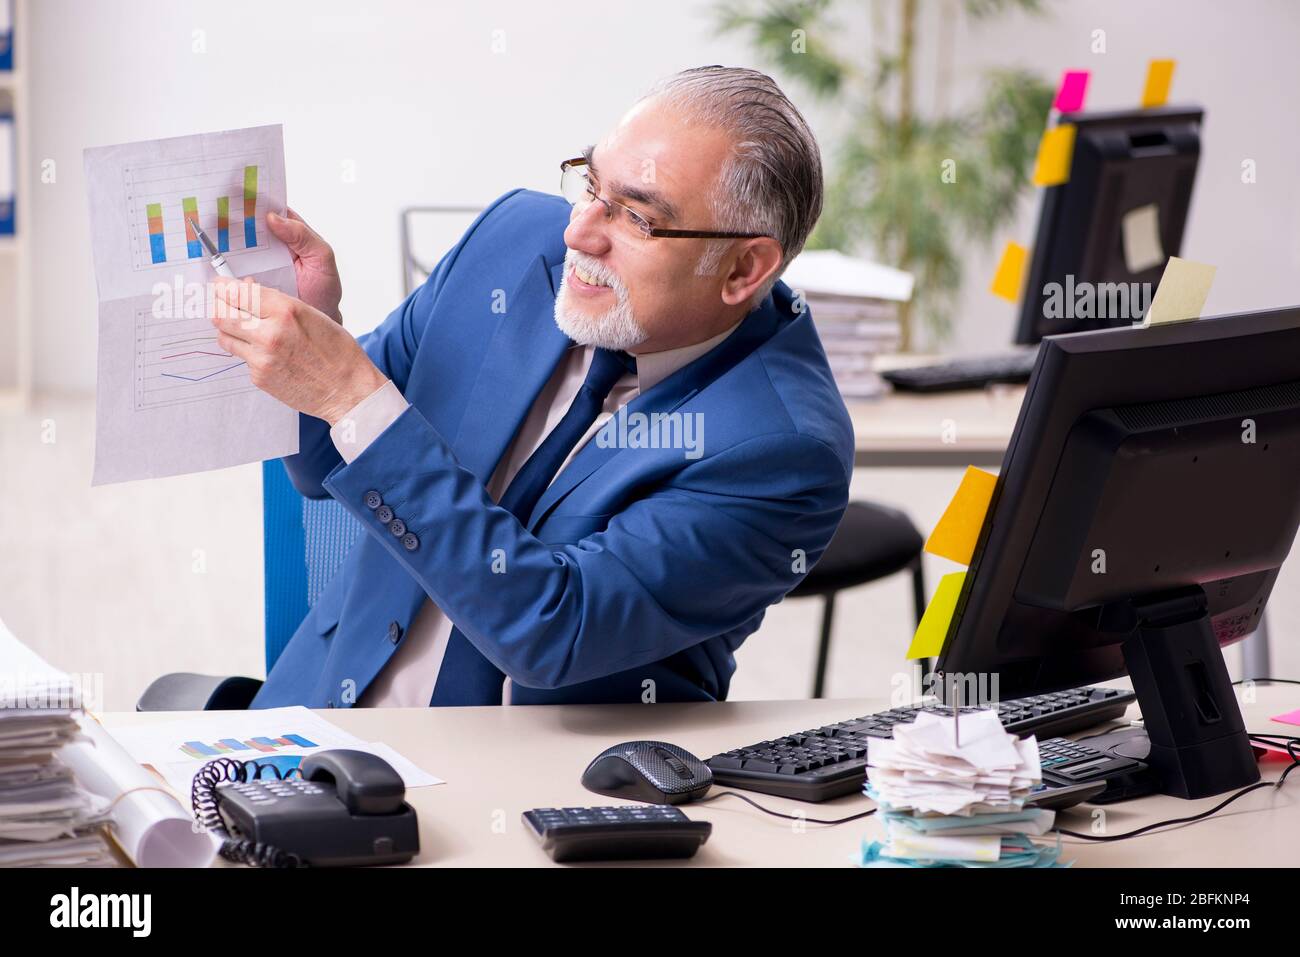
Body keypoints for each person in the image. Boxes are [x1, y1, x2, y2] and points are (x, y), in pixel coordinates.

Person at [209, 65, 854, 708]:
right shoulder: (514, 243)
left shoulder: (781, 449)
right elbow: (323, 462)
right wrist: (323, 337)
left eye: (636, 218)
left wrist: (353, 394)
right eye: (591, 183)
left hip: (541, 787)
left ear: (744, 268)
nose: (579, 233)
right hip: (325, 710)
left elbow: (554, 631)